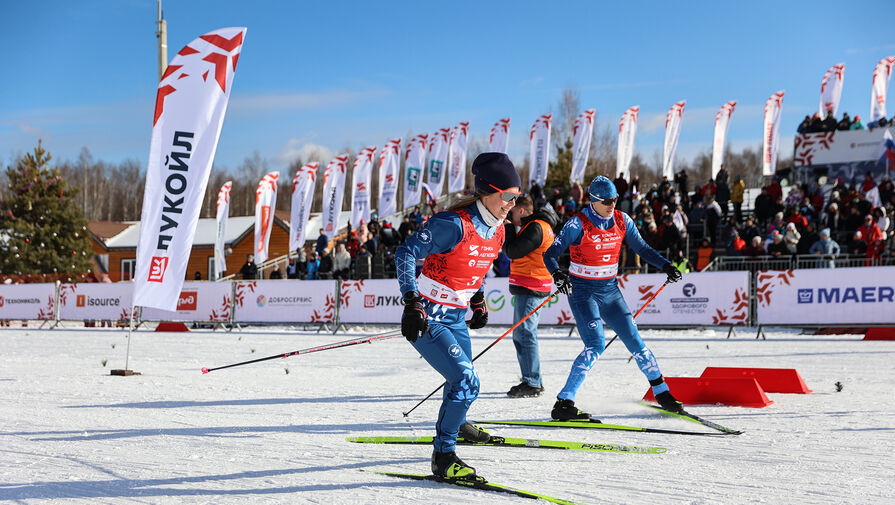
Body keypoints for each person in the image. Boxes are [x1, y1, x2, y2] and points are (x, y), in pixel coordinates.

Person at [396, 152, 521, 481]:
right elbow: (406, 251)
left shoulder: (498, 232)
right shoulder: (453, 224)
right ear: (487, 191)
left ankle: (458, 423)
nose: (511, 204)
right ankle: (444, 456)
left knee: (465, 385)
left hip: (455, 316)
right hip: (429, 317)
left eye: (516, 197)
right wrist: (412, 302)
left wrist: (477, 300)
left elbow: (477, 268)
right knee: (466, 381)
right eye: (507, 196)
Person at [543, 175, 685, 422]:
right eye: (607, 201)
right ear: (593, 200)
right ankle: (564, 403)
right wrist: (557, 274)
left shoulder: (621, 219)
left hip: (610, 290)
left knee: (633, 337)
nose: (612, 205)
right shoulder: (578, 223)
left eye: (615, 200)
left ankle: (662, 394)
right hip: (583, 292)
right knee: (596, 344)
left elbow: (641, 248)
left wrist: (666, 265)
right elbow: (551, 253)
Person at [503, 195, 558, 398]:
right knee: (522, 334)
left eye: (512, 212)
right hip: (529, 284)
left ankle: (532, 382)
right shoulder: (534, 226)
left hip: (532, 285)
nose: (510, 215)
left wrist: (508, 228)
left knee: (525, 333)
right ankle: (531, 379)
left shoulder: (536, 227)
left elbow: (513, 251)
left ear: (522, 211)